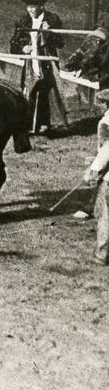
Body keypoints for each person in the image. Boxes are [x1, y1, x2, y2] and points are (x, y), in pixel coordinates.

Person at [9, 0, 64, 136]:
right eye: (29, 7)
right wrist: (23, 47)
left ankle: (46, 123)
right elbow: (13, 42)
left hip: (46, 59)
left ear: (41, 6)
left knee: (46, 91)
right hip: (31, 60)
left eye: (34, 7)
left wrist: (48, 32)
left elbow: (60, 42)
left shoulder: (52, 19)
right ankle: (28, 124)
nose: (31, 10)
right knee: (29, 90)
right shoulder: (23, 21)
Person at [83, 88, 109, 267]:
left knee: (105, 216)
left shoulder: (107, 122)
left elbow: (107, 149)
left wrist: (94, 169)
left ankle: (102, 253)